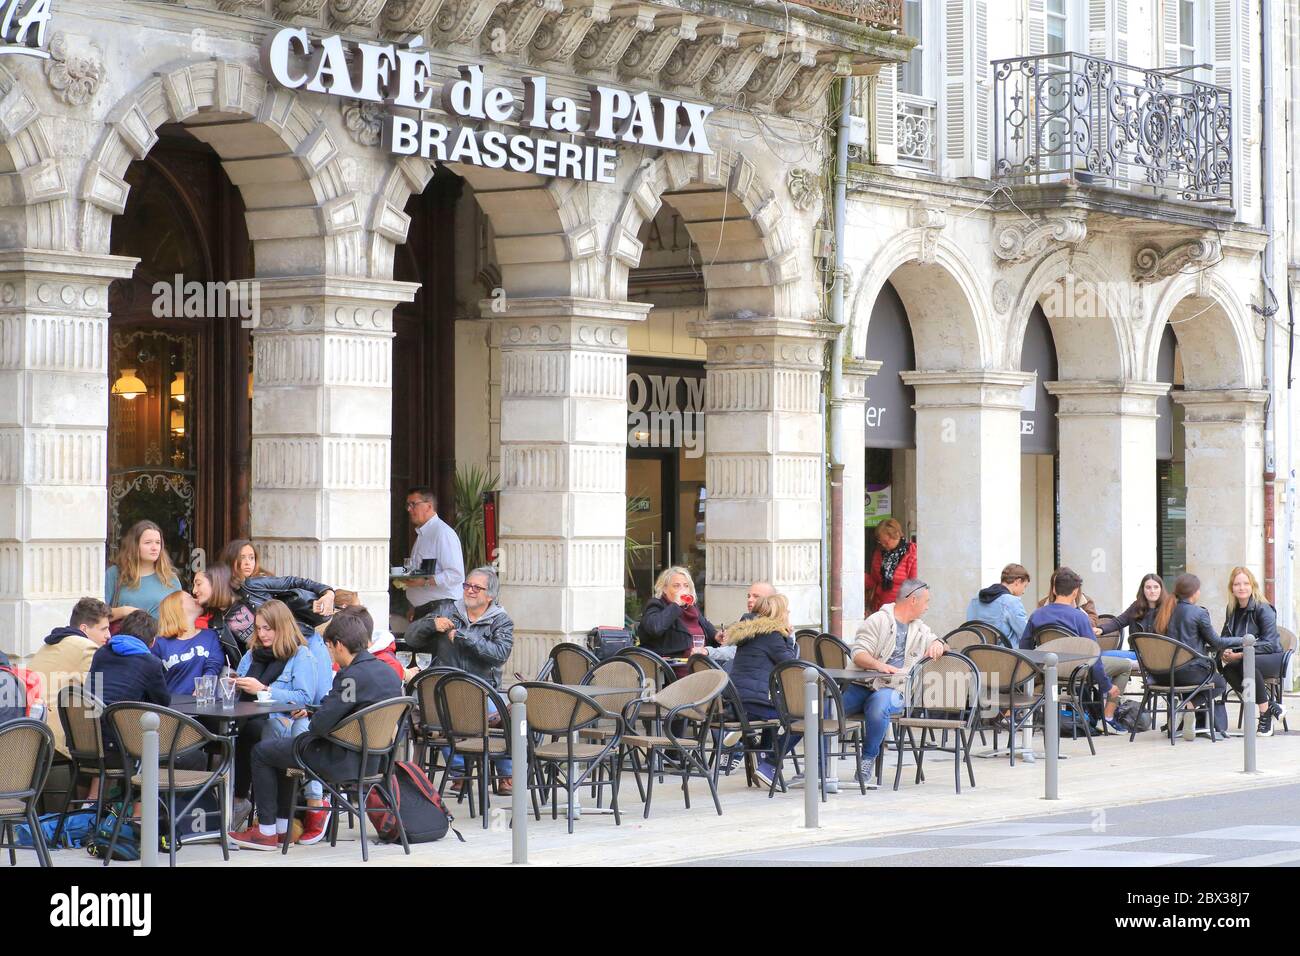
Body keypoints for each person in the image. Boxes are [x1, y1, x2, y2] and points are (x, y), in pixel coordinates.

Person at [230, 613, 403, 850]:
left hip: (340, 759)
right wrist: (314, 711)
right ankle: (282, 828)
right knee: (280, 751)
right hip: (375, 762)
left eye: (330, 648)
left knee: (263, 752)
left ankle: (266, 832)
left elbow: (320, 726)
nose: (330, 654)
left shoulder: (350, 676)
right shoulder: (389, 673)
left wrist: (314, 715)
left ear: (339, 645)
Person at [842, 579, 945, 788]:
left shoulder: (920, 629)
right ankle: (814, 765)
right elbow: (859, 654)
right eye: (926, 602)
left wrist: (938, 643)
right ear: (913, 600)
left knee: (878, 706)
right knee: (825, 710)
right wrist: (879, 665)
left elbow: (943, 643)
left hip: (895, 688)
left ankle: (868, 759)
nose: (927, 607)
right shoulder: (878, 621)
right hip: (863, 684)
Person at [229, 600, 319, 831]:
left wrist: (264, 689)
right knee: (234, 733)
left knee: (252, 733)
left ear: (283, 626)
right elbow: (240, 685)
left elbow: (304, 698)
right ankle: (239, 802)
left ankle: (247, 807)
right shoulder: (252, 654)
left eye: (268, 628)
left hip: (281, 722)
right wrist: (233, 684)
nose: (262, 634)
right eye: (258, 628)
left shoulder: (300, 654)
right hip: (248, 719)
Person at [1024, 567, 1129, 729]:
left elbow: (1025, 647)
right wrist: (1106, 686)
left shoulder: (1037, 614)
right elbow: (1095, 655)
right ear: (1075, 592)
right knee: (1125, 665)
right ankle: (1107, 718)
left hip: (1047, 669)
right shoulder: (1080, 617)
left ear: (1053, 589)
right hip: (1077, 671)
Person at [724, 593, 797, 789]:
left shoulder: (749, 632)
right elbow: (791, 665)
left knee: (773, 712)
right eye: (787, 609)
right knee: (803, 717)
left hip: (737, 699)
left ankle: (758, 749)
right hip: (755, 700)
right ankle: (770, 765)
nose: (789, 613)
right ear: (779, 613)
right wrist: (788, 637)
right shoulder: (773, 636)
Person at [28, 598, 111, 756]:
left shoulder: (52, 643)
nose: (109, 635)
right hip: (55, 735)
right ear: (84, 628)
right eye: (104, 629)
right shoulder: (87, 648)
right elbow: (98, 695)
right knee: (110, 743)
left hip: (31, 726)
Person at [1218, 567, 1286, 736]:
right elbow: (1224, 637)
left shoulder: (1263, 608)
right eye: (1237, 584)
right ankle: (1270, 706)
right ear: (1231, 588)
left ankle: (1264, 715)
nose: (1242, 587)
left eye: (1246, 583)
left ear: (1253, 585)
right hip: (1244, 660)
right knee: (1228, 670)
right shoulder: (1232, 609)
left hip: (1271, 657)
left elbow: (1269, 644)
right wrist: (1225, 652)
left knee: (1247, 664)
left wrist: (1240, 654)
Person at [1162, 573, 1231, 734]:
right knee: (1219, 683)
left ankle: (1183, 710)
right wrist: (1242, 640)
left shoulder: (1165, 611)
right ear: (1195, 592)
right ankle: (1188, 707)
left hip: (1165, 675)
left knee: (1196, 677)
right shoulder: (1198, 613)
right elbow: (1217, 643)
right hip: (1189, 673)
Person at [229, 556, 335, 643]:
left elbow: (294, 581)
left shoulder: (253, 585)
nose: (247, 563)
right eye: (242, 558)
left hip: (299, 640)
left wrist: (328, 593)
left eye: (251, 558)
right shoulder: (220, 620)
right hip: (267, 653)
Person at [637, 565, 718, 677]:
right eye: (676, 586)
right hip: (670, 673)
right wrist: (676, 605)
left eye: (686, 586)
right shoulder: (656, 605)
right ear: (664, 588)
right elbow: (655, 628)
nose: (682, 590)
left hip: (699, 668)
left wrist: (718, 636)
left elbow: (712, 634)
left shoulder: (693, 610)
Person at [401, 487, 465, 623]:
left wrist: (424, 582)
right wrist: (414, 606)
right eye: (408, 505)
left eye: (413, 504)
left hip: (441, 609)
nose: (409, 509)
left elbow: (456, 575)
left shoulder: (443, 533)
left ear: (429, 506)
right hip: (425, 609)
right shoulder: (423, 534)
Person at [105, 520, 181, 621]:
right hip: (126, 635)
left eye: (158, 543)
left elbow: (181, 617)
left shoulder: (170, 578)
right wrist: (124, 611)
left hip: (163, 636)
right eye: (148, 543)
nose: (154, 548)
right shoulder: (115, 574)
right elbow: (96, 615)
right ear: (134, 546)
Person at [151, 590, 225, 695]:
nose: (197, 599)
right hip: (171, 706)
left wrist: (204, 685)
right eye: (190, 597)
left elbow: (214, 664)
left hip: (202, 704)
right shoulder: (160, 643)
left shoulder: (210, 635)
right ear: (178, 607)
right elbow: (151, 679)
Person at [706, 581, 777, 671]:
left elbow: (735, 652)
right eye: (749, 596)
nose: (750, 600)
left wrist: (708, 651)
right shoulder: (750, 621)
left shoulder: (772, 627)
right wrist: (728, 640)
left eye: (756, 596)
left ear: (770, 600)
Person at [192, 563, 251, 668]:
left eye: (199, 584)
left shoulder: (250, 600)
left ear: (215, 582)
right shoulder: (214, 622)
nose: (194, 591)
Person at [965, 564, 1031, 645]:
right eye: (1025, 586)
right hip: (1005, 655)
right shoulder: (1012, 602)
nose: (1023, 591)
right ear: (1018, 582)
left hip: (976, 652)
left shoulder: (975, 599)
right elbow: (1025, 634)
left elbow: (970, 629)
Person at [864, 519, 917, 613]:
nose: (883, 545)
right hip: (880, 609)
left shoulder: (911, 554)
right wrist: (858, 575)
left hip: (901, 609)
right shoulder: (879, 553)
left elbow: (914, 586)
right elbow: (874, 581)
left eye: (886, 541)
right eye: (880, 542)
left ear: (896, 534)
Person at [1099, 573, 1176, 638]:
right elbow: (1119, 622)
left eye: (1156, 587)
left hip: (1162, 653)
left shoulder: (1169, 608)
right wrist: (1101, 629)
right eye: (1148, 587)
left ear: (1161, 589)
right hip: (1137, 653)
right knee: (1106, 655)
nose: (1152, 591)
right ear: (1143, 590)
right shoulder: (1135, 607)